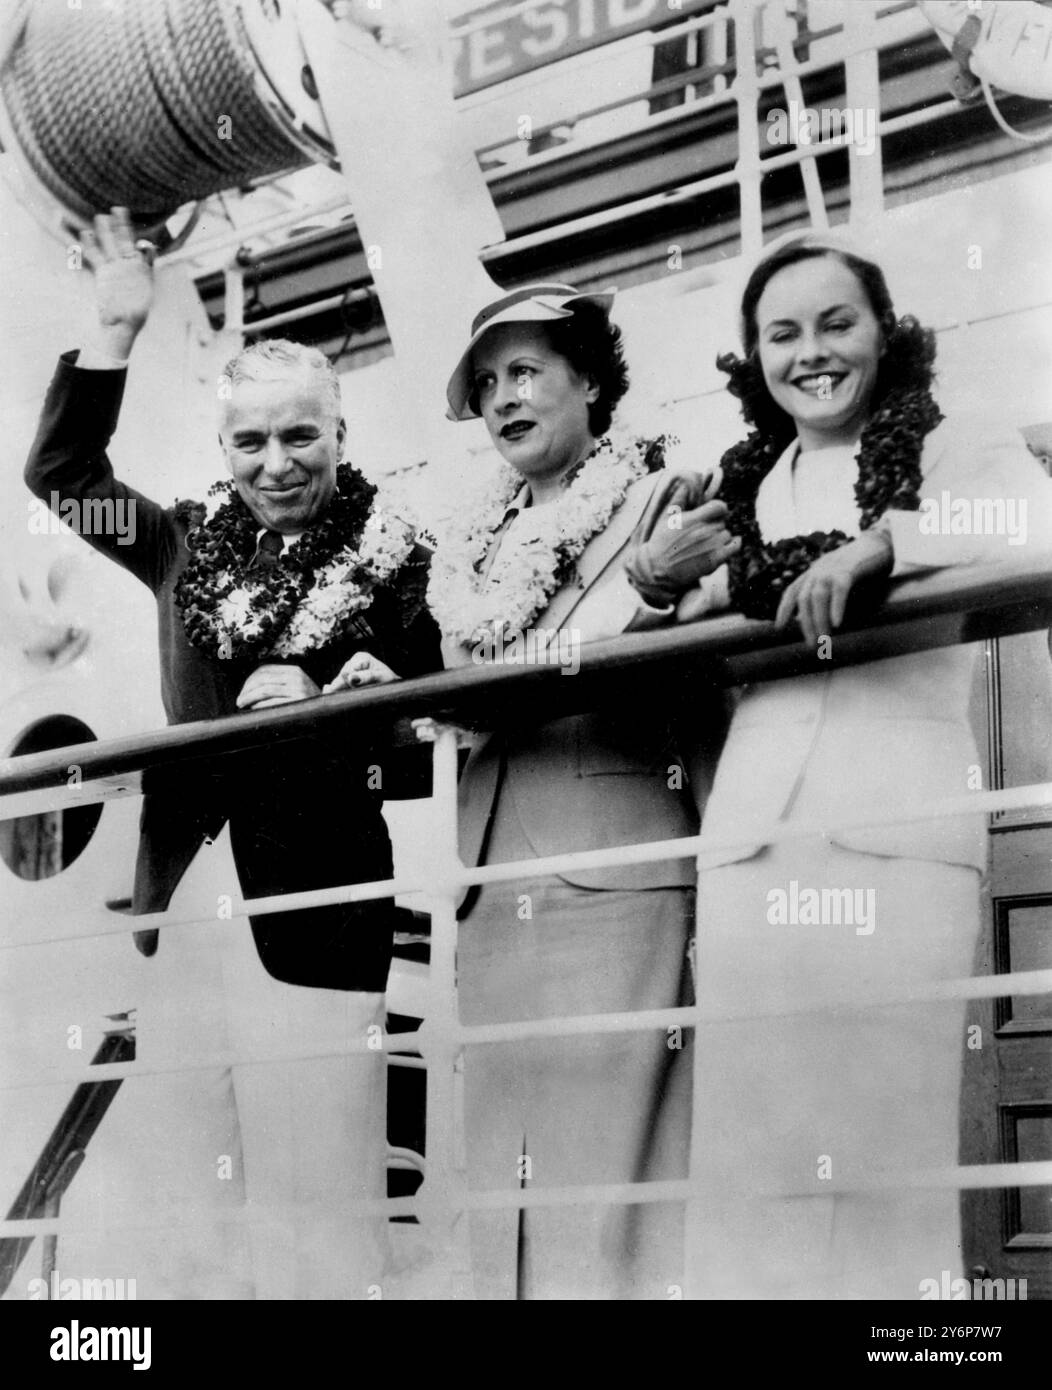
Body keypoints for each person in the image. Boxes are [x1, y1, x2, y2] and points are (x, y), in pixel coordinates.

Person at [23, 208, 443, 1298]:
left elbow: (424, 744)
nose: (275, 461)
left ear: (340, 435)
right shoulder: (178, 543)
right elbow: (61, 467)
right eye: (250, 440)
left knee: (316, 1192)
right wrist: (114, 328)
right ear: (222, 450)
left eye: (299, 435)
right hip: (179, 902)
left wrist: (353, 701)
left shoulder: (400, 563)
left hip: (315, 905)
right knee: (178, 1192)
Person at [678, 229, 1052, 1299]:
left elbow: (1030, 519)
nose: (810, 352)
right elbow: (688, 613)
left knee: (882, 1151)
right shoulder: (741, 488)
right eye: (779, 333)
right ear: (753, 357)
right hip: (754, 843)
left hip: (895, 836)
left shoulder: (951, 440)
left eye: (833, 322)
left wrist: (884, 543)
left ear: (882, 333)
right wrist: (670, 586)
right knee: (753, 1156)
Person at [426, 282, 738, 1299]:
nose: (503, 399)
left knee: (611, 1180)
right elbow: (467, 682)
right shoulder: (468, 546)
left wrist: (642, 583)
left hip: (617, 865)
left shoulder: (662, 496)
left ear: (590, 380)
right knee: (503, 1180)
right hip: (488, 880)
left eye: (525, 372)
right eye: (485, 385)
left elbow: (672, 646)